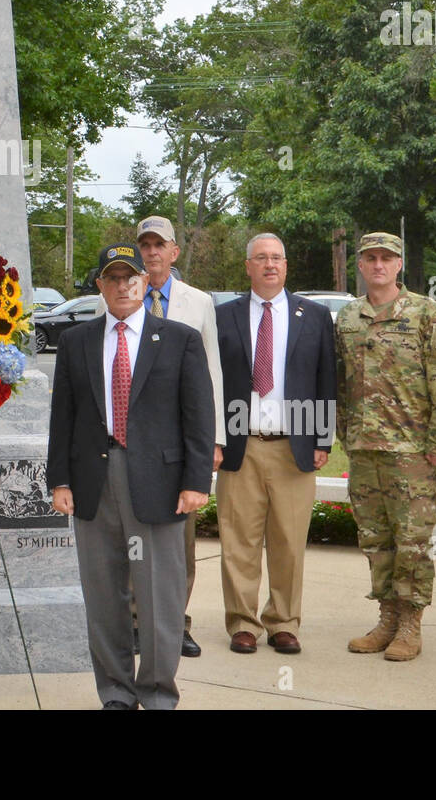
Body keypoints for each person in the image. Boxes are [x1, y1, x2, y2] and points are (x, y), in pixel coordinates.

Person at [47, 243, 214, 710]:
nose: (122, 285)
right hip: (92, 483)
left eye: (131, 277)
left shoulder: (179, 339)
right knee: (104, 594)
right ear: (100, 286)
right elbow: (65, 415)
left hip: (159, 484)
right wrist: (59, 479)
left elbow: (199, 418)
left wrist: (196, 481)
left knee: (160, 596)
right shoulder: (77, 342)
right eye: (112, 278)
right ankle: (116, 692)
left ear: (146, 281)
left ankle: (158, 693)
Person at [335, 232, 436, 661]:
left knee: (411, 543)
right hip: (364, 449)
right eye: (370, 258)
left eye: (386, 259)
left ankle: (411, 624)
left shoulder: (427, 314)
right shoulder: (349, 318)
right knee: (376, 540)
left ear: (399, 264)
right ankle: (387, 618)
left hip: (412, 452)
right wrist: (344, 434)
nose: (378, 265)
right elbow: (340, 382)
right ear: (360, 264)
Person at [215, 232, 335, 654]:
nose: (269, 265)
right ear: (247, 266)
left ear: (286, 266)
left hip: (294, 446)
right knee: (238, 541)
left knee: (288, 541)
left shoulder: (315, 316)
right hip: (239, 445)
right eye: (260, 258)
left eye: (277, 258)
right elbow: (209, 384)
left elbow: (326, 381)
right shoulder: (223, 316)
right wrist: (213, 438)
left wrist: (323, 438)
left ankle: (283, 621)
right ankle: (243, 623)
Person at [130, 215, 225, 658]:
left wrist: (214, 441)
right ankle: (133, 623)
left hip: (179, 441)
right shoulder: (114, 297)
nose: (151, 252)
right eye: (144, 245)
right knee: (130, 536)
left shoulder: (198, 302)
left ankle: (175, 624)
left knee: (178, 542)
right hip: (128, 440)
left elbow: (211, 375)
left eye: (159, 245)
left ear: (174, 252)